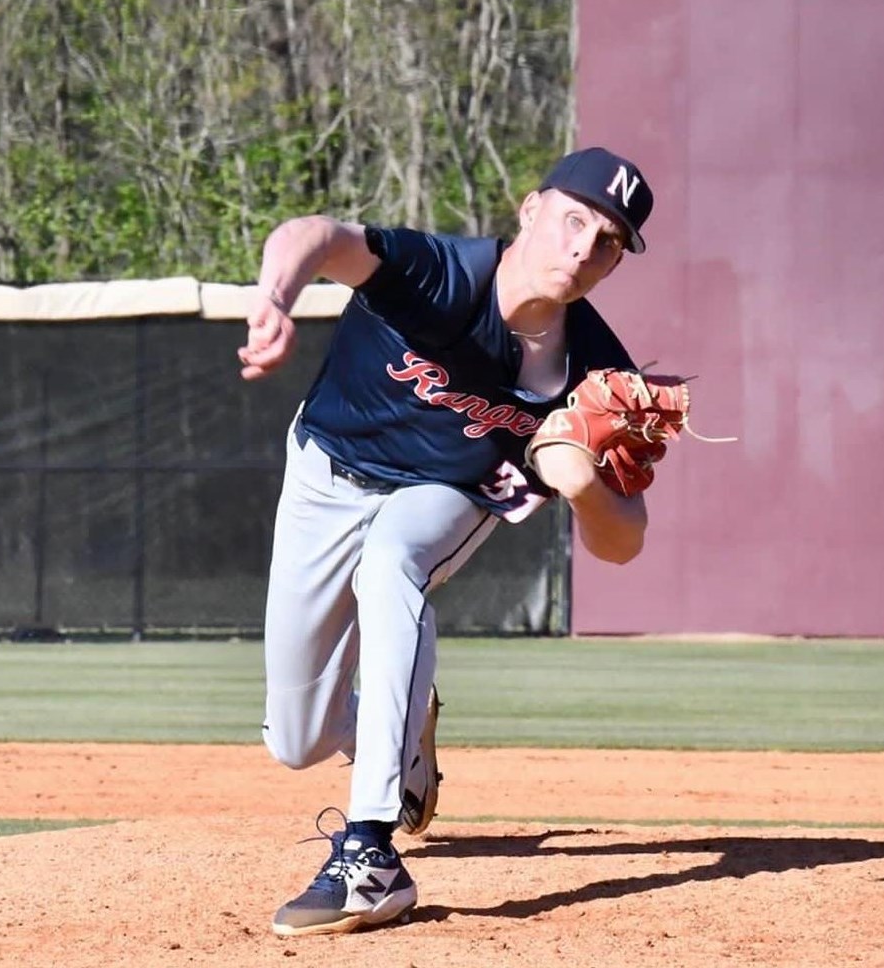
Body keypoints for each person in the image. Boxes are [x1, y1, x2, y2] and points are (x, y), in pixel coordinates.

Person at [237, 146, 660, 936]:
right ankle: (402, 727)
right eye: (574, 219)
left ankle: (369, 856)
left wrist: (584, 488)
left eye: (606, 241)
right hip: (327, 472)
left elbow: (624, 541)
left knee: (392, 561)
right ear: (530, 210)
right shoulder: (439, 273)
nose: (582, 248)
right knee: (294, 741)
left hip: (452, 492)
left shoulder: (595, 373)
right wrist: (276, 296)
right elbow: (315, 234)